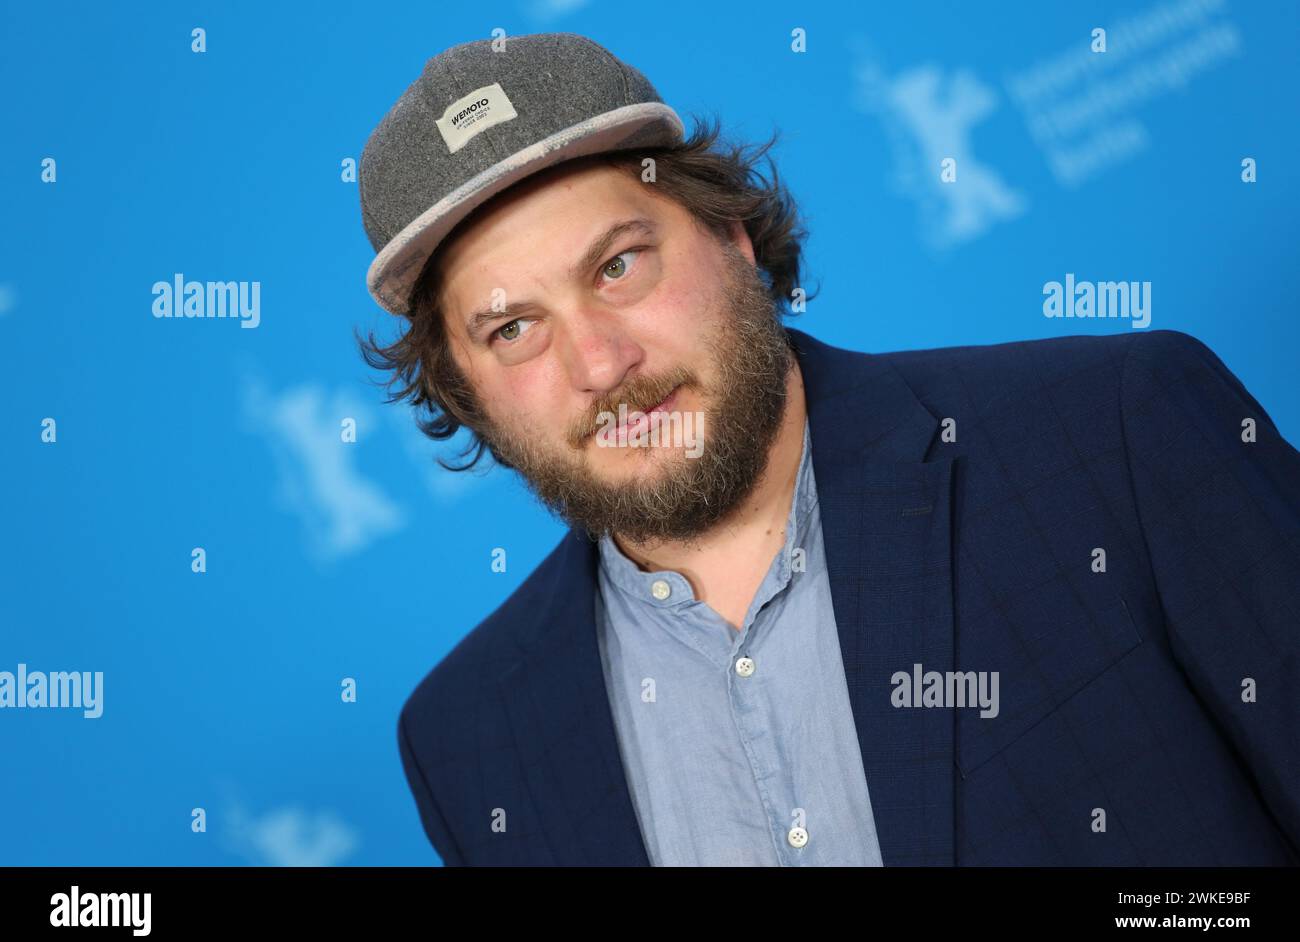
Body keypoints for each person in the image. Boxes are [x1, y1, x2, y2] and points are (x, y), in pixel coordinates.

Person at [357, 32, 1300, 866]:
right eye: (513, 328)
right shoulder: (469, 740)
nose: (599, 364)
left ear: (732, 238)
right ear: (465, 395)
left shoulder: (1115, 435)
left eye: (617, 265)